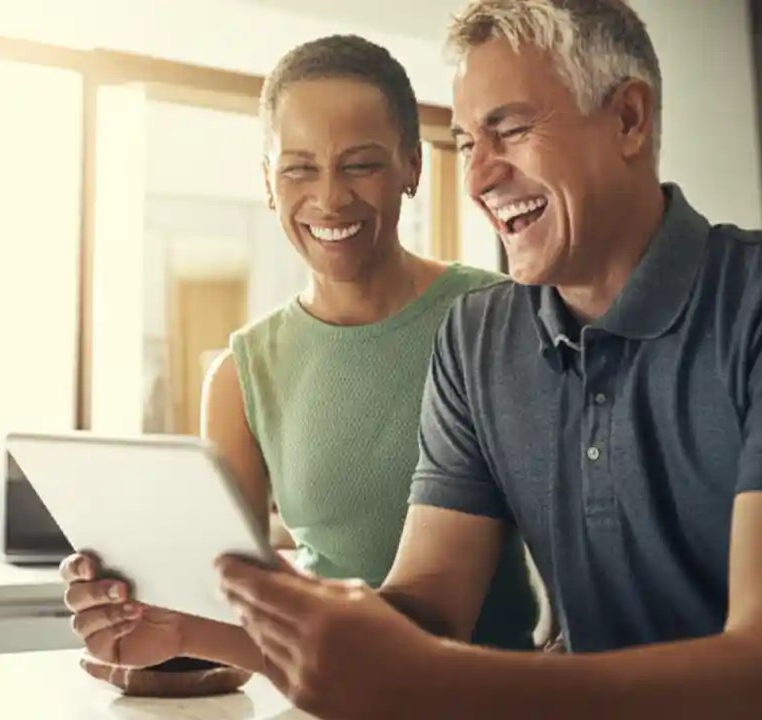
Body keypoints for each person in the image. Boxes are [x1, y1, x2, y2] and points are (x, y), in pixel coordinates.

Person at [206, 1, 762, 718]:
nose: (479, 177)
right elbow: (427, 606)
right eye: (466, 142)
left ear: (628, 119)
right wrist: (224, 623)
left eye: (511, 129)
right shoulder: (476, 340)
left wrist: (437, 682)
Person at [61, 34, 544, 697]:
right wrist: (162, 654)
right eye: (297, 169)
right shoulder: (243, 372)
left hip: (483, 697)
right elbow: (235, 608)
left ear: (411, 167)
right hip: (328, 700)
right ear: (266, 182)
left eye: (360, 165)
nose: (329, 198)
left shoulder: (498, 317)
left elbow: (457, 612)